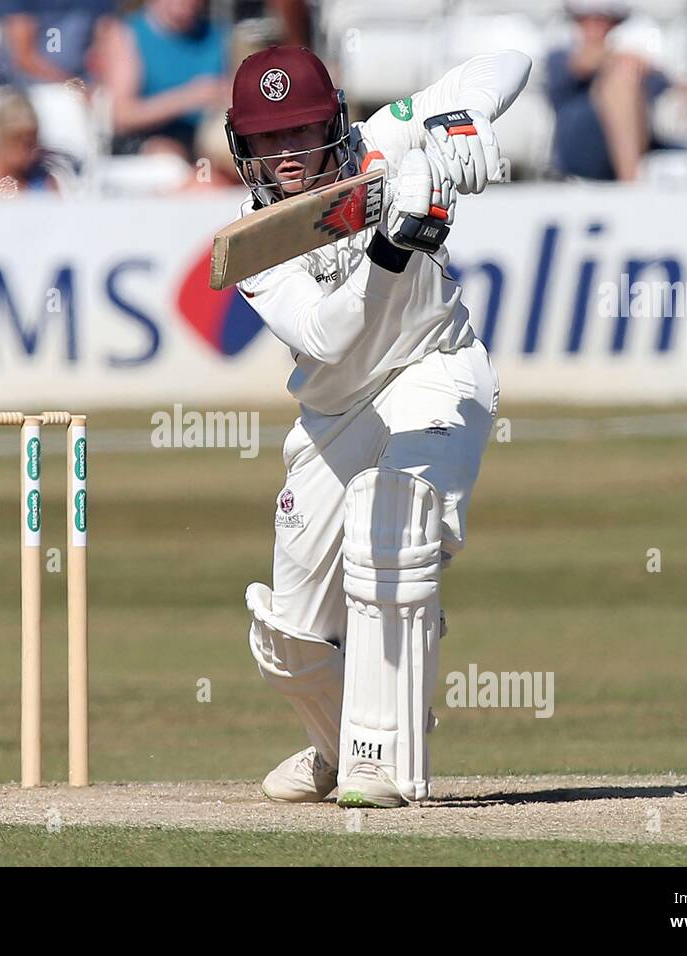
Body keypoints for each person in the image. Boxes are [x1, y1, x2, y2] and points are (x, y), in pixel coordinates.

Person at [228, 44, 530, 808]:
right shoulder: (258, 245)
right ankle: (338, 746)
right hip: (335, 415)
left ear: (333, 121)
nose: (286, 156)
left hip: (435, 369)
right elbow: (331, 338)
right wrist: (393, 247)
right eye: (268, 141)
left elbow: (511, 61)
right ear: (244, 148)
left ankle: (381, 755)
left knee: (394, 532)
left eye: (299, 132)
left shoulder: (384, 141)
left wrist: (461, 122)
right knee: (286, 643)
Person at [545, 1, 672, 181]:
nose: (596, 26)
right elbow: (581, 63)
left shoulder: (637, 66)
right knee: (621, 78)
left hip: (642, 142)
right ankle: (631, 182)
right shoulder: (560, 55)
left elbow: (665, 88)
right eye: (587, 19)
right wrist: (624, 59)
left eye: (604, 20)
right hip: (580, 151)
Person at [99, 0, 228, 158]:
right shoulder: (128, 34)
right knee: (168, 160)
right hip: (149, 146)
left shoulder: (219, 35)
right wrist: (188, 97)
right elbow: (121, 116)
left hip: (208, 145)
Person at [0, 0, 117, 86]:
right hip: (33, 88)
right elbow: (23, 56)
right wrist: (71, 85)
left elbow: (108, 44)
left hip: (86, 83)